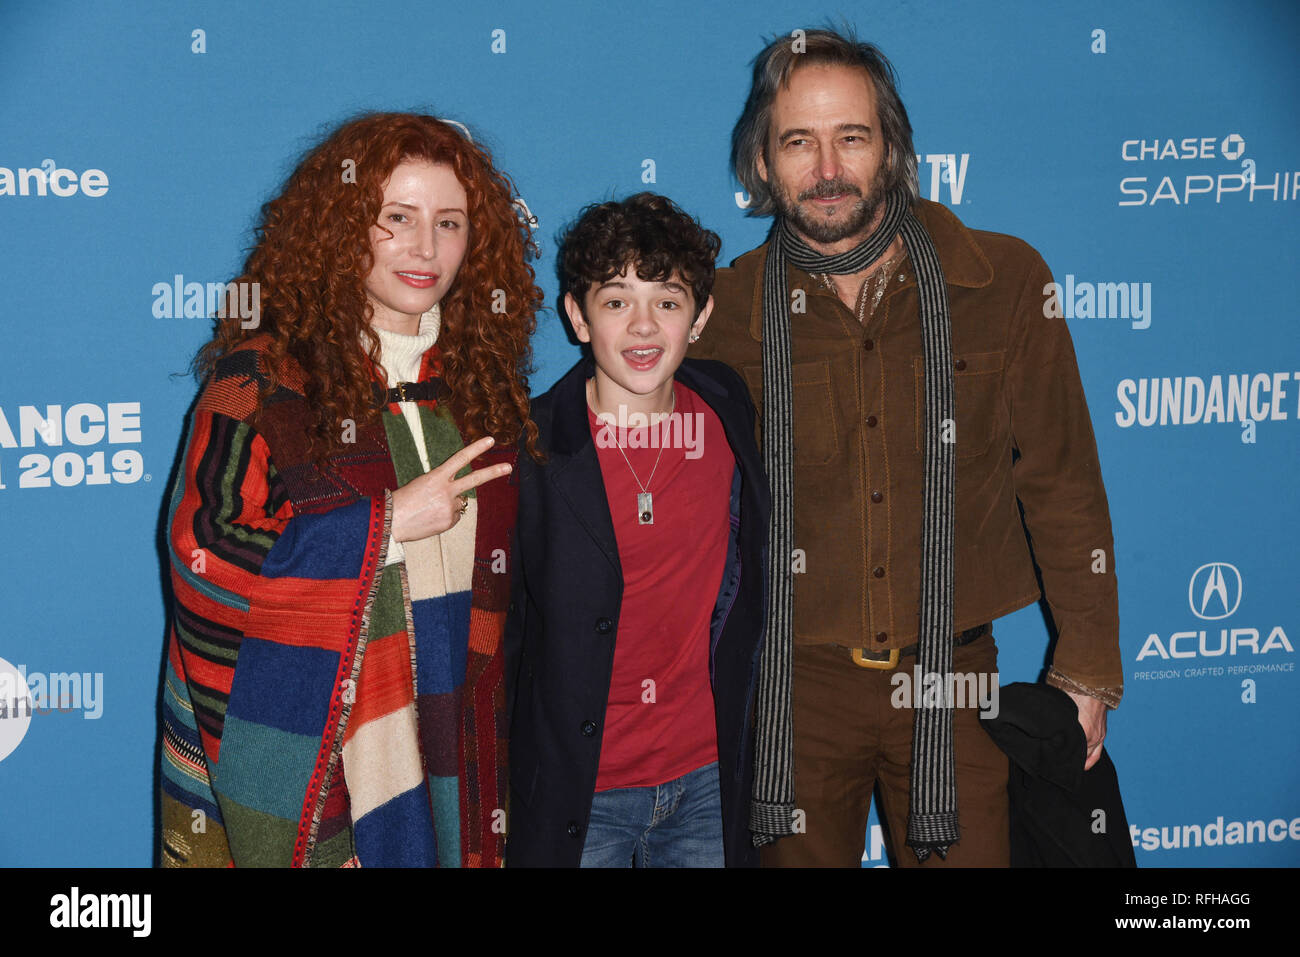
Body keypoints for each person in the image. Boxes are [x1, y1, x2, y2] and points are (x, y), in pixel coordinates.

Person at [691, 28, 1123, 866]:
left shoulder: (1001, 282)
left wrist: (1086, 670)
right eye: (797, 142)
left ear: (892, 146)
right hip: (794, 687)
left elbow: (1064, 484)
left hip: (956, 678)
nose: (826, 167)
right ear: (761, 161)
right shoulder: (726, 311)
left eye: (851, 137)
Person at [158, 112, 542, 867]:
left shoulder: (485, 392)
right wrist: (390, 523)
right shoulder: (261, 380)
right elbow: (205, 548)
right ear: (341, 227)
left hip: (455, 751)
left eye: (449, 223)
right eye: (395, 219)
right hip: (321, 767)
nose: (424, 248)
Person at [504, 193, 771, 867]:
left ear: (701, 316)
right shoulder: (531, 450)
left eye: (669, 301)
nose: (644, 326)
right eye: (617, 300)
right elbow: (505, 638)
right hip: (581, 790)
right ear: (577, 316)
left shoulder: (725, 405)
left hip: (707, 778)